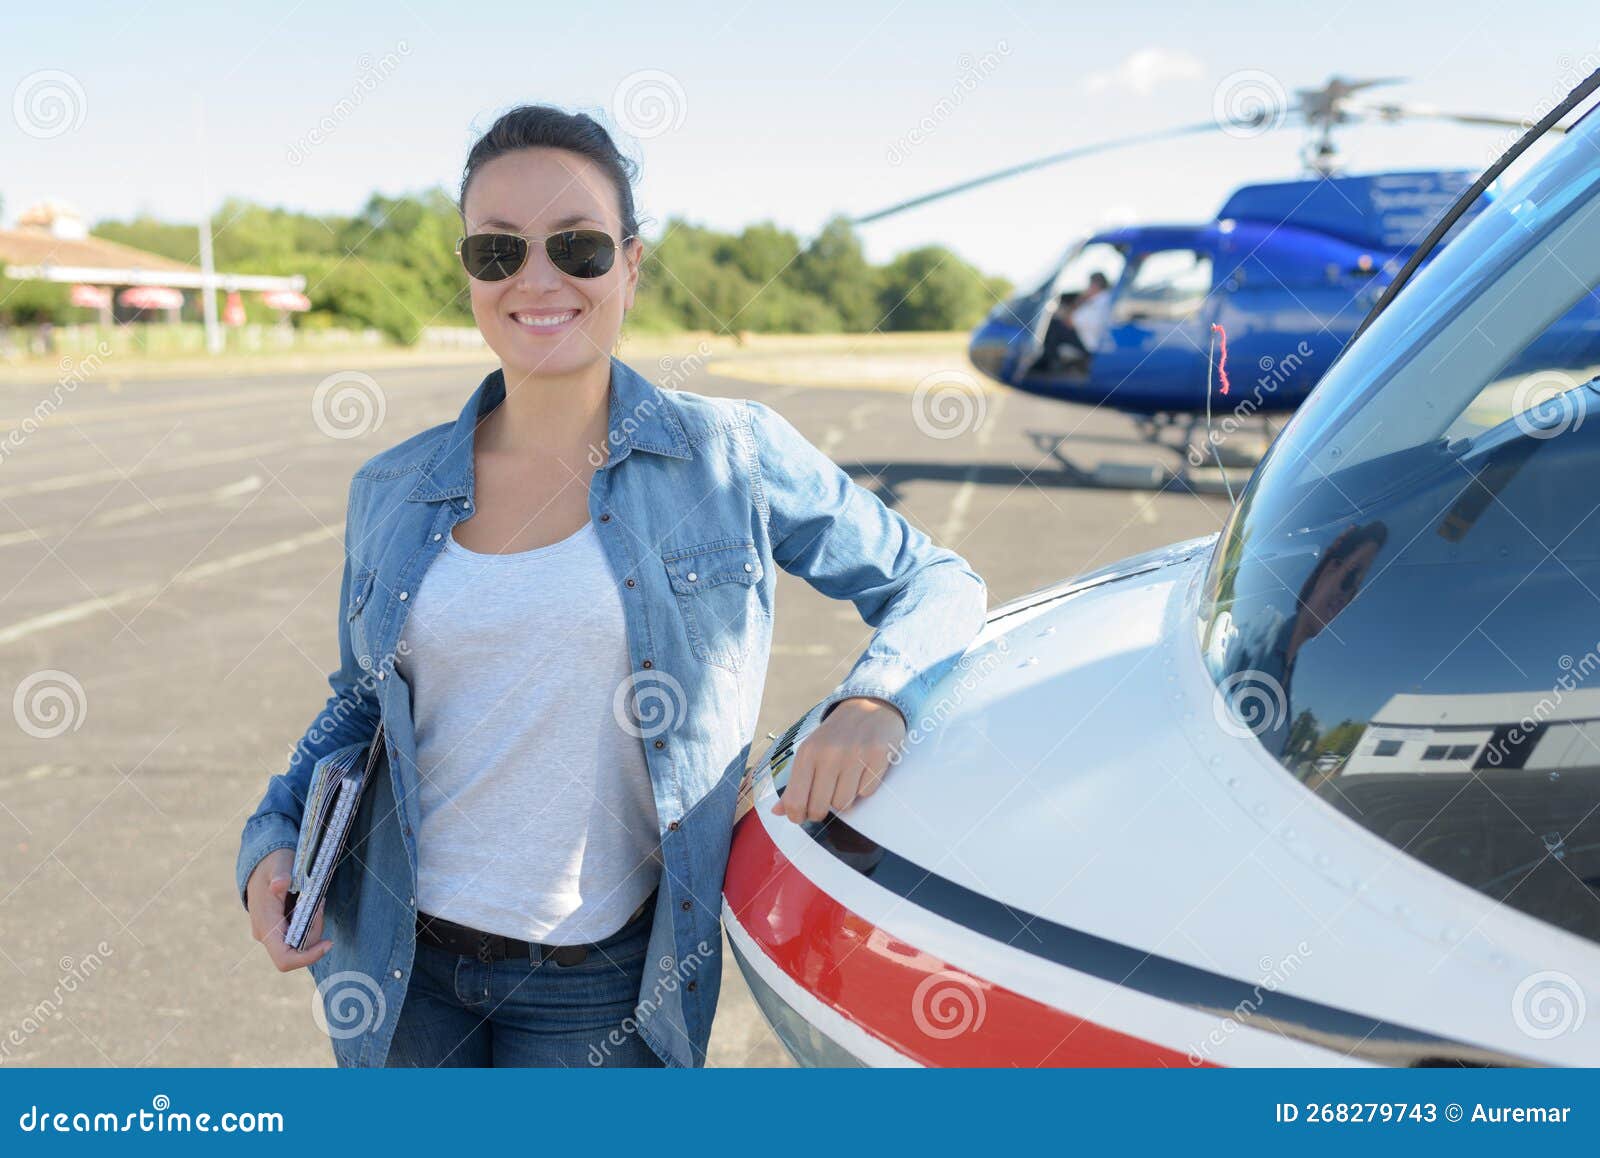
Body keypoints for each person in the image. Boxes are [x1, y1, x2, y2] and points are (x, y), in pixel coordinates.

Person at [236, 105, 988, 1069]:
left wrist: (878, 695)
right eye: (498, 249)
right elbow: (355, 707)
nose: (537, 278)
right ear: (469, 272)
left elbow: (935, 580)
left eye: (578, 246)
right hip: (392, 962)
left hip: (606, 985)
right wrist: (274, 837)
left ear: (631, 265)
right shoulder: (391, 488)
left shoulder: (732, 457)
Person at [1069, 271, 1113, 354]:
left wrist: (1078, 302)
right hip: (1099, 342)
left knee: (1055, 326)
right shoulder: (1108, 298)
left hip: (1092, 346)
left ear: (1094, 286)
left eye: (1089, 285)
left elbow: (1070, 322)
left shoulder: (1096, 302)